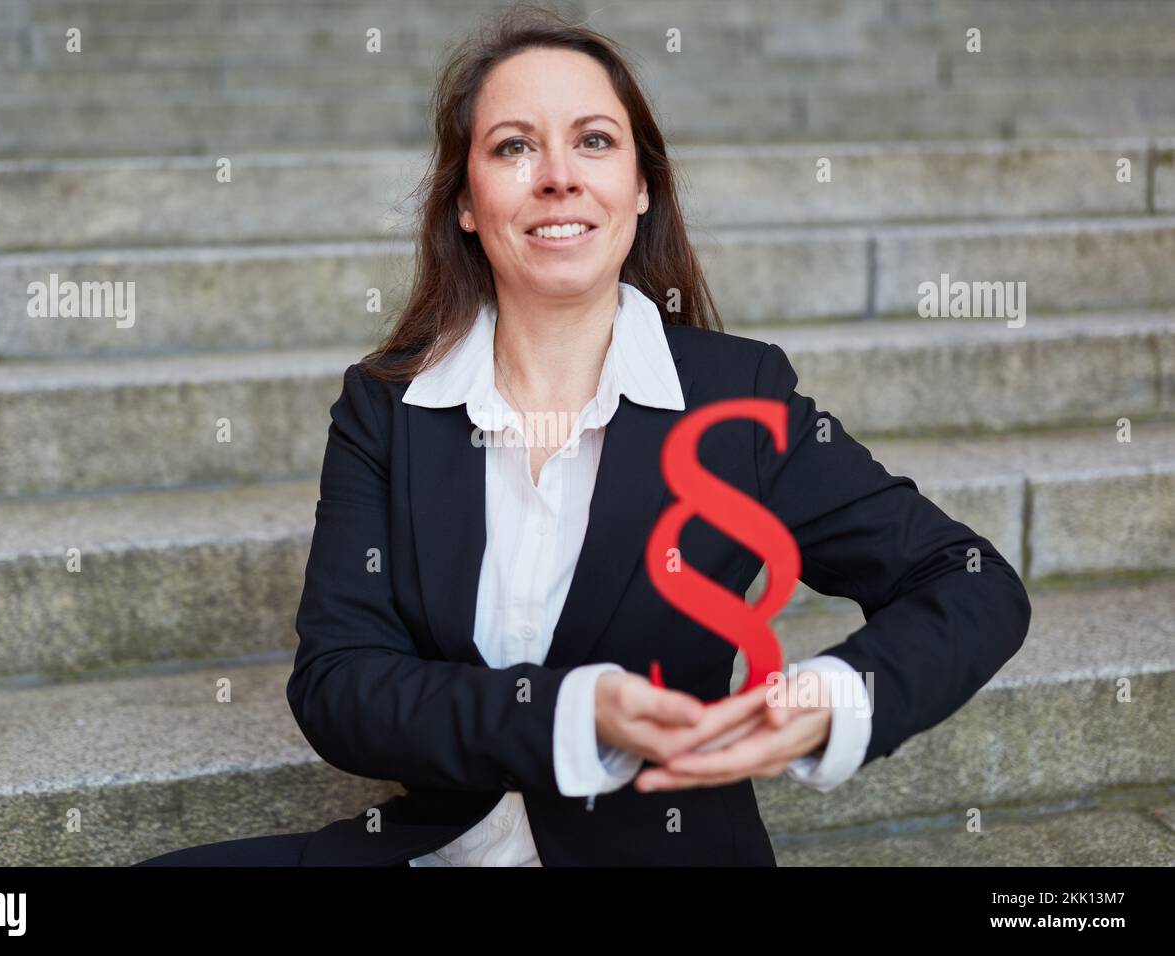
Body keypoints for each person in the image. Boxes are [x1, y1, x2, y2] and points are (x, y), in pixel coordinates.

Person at [135, 5, 1030, 868]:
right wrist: (570, 711)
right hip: (443, 848)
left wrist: (830, 699)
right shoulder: (386, 407)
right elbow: (338, 685)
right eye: (514, 146)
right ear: (467, 204)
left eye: (594, 140)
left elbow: (971, 582)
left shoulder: (736, 396)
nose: (558, 175)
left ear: (640, 188)